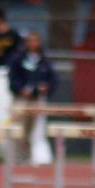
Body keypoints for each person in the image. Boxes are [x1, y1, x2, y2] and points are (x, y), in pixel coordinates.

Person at [8, 29, 58, 165]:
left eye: (35, 40)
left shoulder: (44, 61)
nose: (32, 43)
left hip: (36, 100)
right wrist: (20, 89)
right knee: (19, 128)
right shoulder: (18, 59)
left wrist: (46, 87)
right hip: (21, 99)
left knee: (32, 129)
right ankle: (17, 156)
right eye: (30, 40)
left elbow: (53, 80)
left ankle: (29, 156)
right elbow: (13, 78)